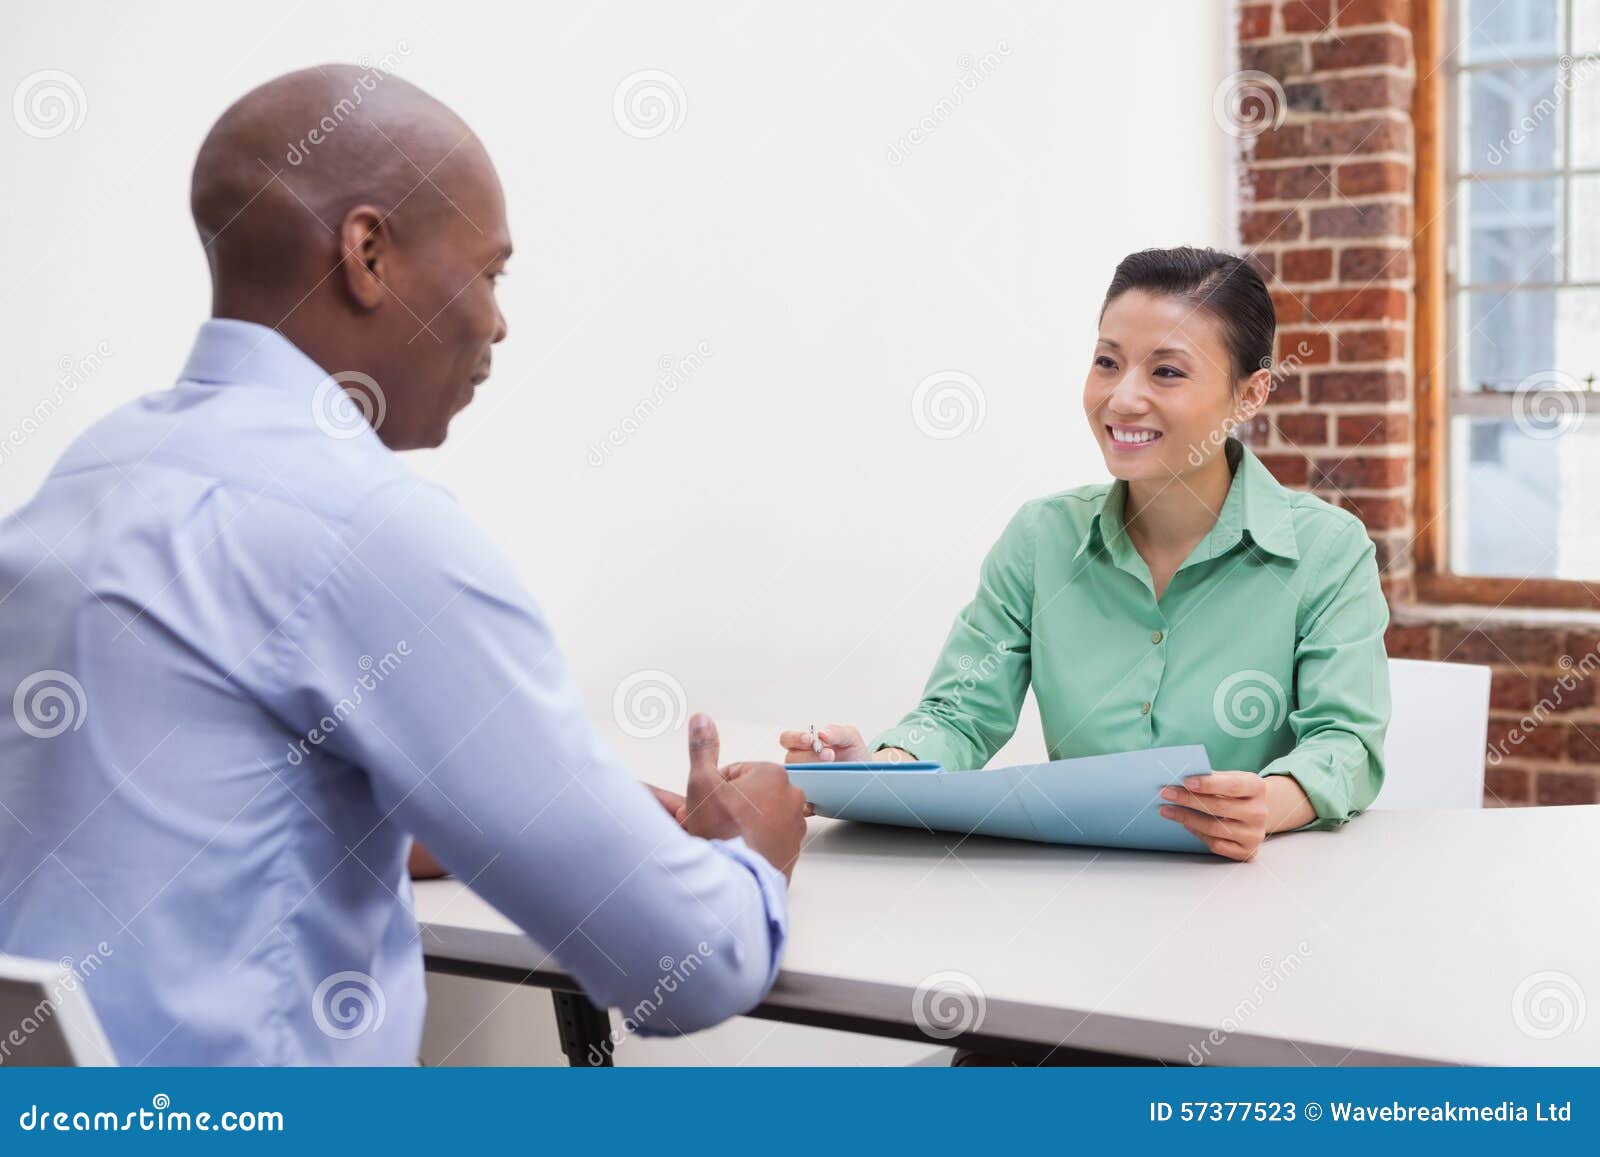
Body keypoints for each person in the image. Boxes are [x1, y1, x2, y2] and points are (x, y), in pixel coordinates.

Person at [0, 66, 806, 1066]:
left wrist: (432, 813)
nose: (499, 322)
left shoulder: (91, 474)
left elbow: (173, 806)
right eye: (491, 272)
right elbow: (683, 965)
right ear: (369, 254)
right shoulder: (362, 524)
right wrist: (753, 848)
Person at [781, 247, 1390, 862]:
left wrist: (1269, 803)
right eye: (1108, 362)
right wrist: (878, 773)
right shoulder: (1040, 538)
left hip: (1251, 894)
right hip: (1076, 896)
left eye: (1168, 372)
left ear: (1250, 394)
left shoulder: (1326, 550)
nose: (1122, 398)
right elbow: (962, 711)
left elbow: (1344, 744)